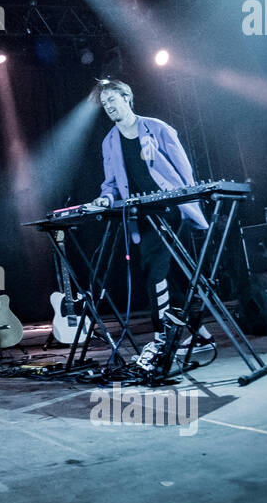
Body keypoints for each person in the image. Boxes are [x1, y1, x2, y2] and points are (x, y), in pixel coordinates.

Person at [80, 79, 212, 370]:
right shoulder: (109, 142)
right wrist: (104, 199)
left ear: (127, 97)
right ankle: (199, 331)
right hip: (141, 215)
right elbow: (111, 184)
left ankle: (161, 335)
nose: (109, 106)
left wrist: (189, 201)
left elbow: (184, 169)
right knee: (169, 271)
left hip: (171, 208)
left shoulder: (158, 128)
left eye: (113, 99)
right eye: (104, 104)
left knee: (156, 268)